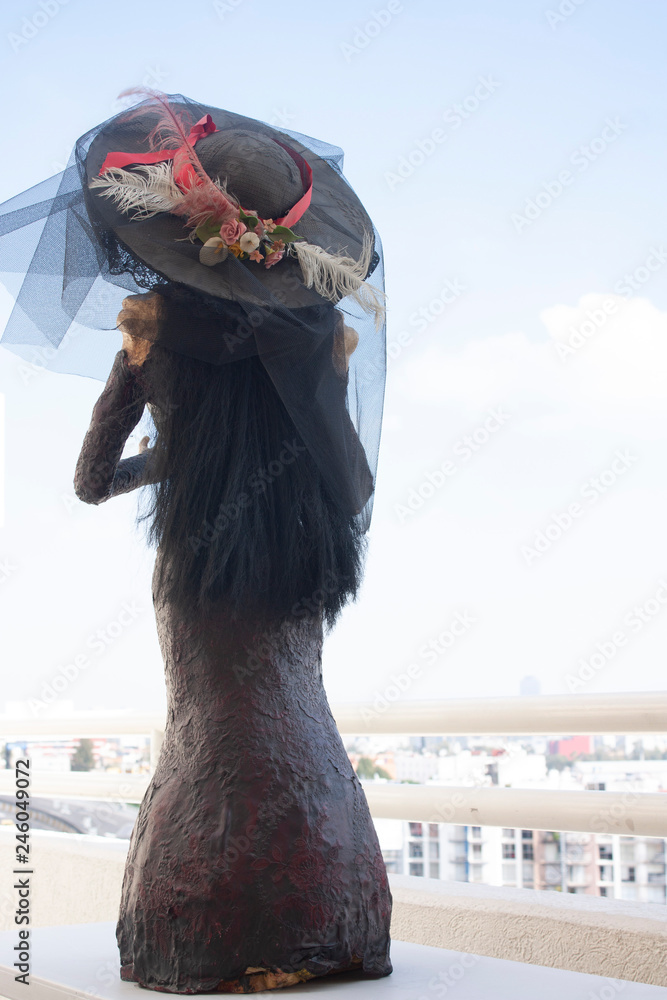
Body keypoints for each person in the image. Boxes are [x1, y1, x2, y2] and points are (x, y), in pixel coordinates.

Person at [39, 90, 392, 993]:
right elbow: (347, 479)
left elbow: (88, 482)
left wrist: (172, 460)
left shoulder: (150, 334)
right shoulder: (320, 341)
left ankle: (199, 931)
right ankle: (333, 917)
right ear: (283, 235)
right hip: (295, 568)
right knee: (294, 715)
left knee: (212, 733)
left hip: (197, 573)